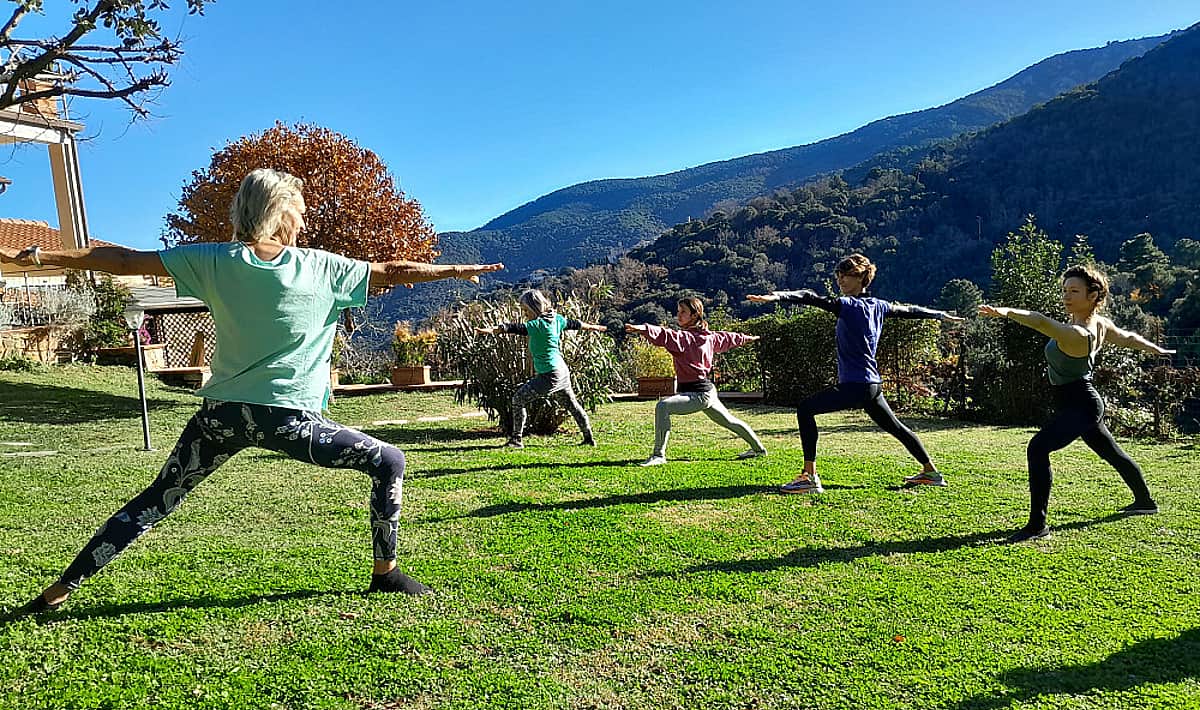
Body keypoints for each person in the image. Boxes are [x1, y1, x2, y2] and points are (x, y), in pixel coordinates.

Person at [1, 168, 502, 618]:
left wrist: (44, 256)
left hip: (221, 416)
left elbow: (124, 259)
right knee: (390, 461)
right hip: (287, 419)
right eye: (299, 212)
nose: (303, 222)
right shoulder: (320, 266)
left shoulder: (214, 261)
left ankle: (58, 591)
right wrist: (455, 271)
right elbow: (393, 269)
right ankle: (386, 573)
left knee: (157, 499)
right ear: (281, 212)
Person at [979, 263, 1174, 542]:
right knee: (1111, 452)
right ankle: (1145, 503)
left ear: (1093, 295)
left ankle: (1037, 526)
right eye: (1065, 290)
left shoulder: (1079, 334)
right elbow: (1127, 338)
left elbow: (1039, 320)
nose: (1066, 296)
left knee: (1038, 448)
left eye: (1074, 291)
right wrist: (1154, 347)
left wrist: (1005, 312)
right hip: (1081, 402)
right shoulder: (1096, 324)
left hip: (1081, 403)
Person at [748, 253, 961, 494]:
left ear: (861, 277)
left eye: (845, 276)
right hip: (872, 385)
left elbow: (809, 297)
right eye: (838, 276)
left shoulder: (847, 305)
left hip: (857, 385)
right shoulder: (879, 306)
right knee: (896, 428)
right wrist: (939, 314)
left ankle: (809, 477)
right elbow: (909, 309)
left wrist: (777, 296)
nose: (840, 281)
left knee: (805, 409)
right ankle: (930, 472)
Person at [624, 297, 767, 466]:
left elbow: (665, 334)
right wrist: (747, 338)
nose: (679, 315)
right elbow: (728, 338)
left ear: (694, 315)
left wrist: (642, 329)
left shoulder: (688, 338)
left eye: (683, 311)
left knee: (663, 406)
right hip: (707, 392)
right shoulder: (708, 337)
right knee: (729, 421)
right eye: (678, 311)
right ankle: (759, 450)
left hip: (699, 394)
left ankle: (658, 455)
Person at [474, 288, 606, 448]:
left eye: (525, 310)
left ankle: (516, 440)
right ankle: (589, 438)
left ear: (533, 307)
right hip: (562, 371)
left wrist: (490, 331)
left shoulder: (536, 324)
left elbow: (513, 328)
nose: (524, 313)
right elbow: (575, 324)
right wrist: (594, 327)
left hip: (550, 375)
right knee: (572, 406)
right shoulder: (557, 319)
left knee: (518, 400)